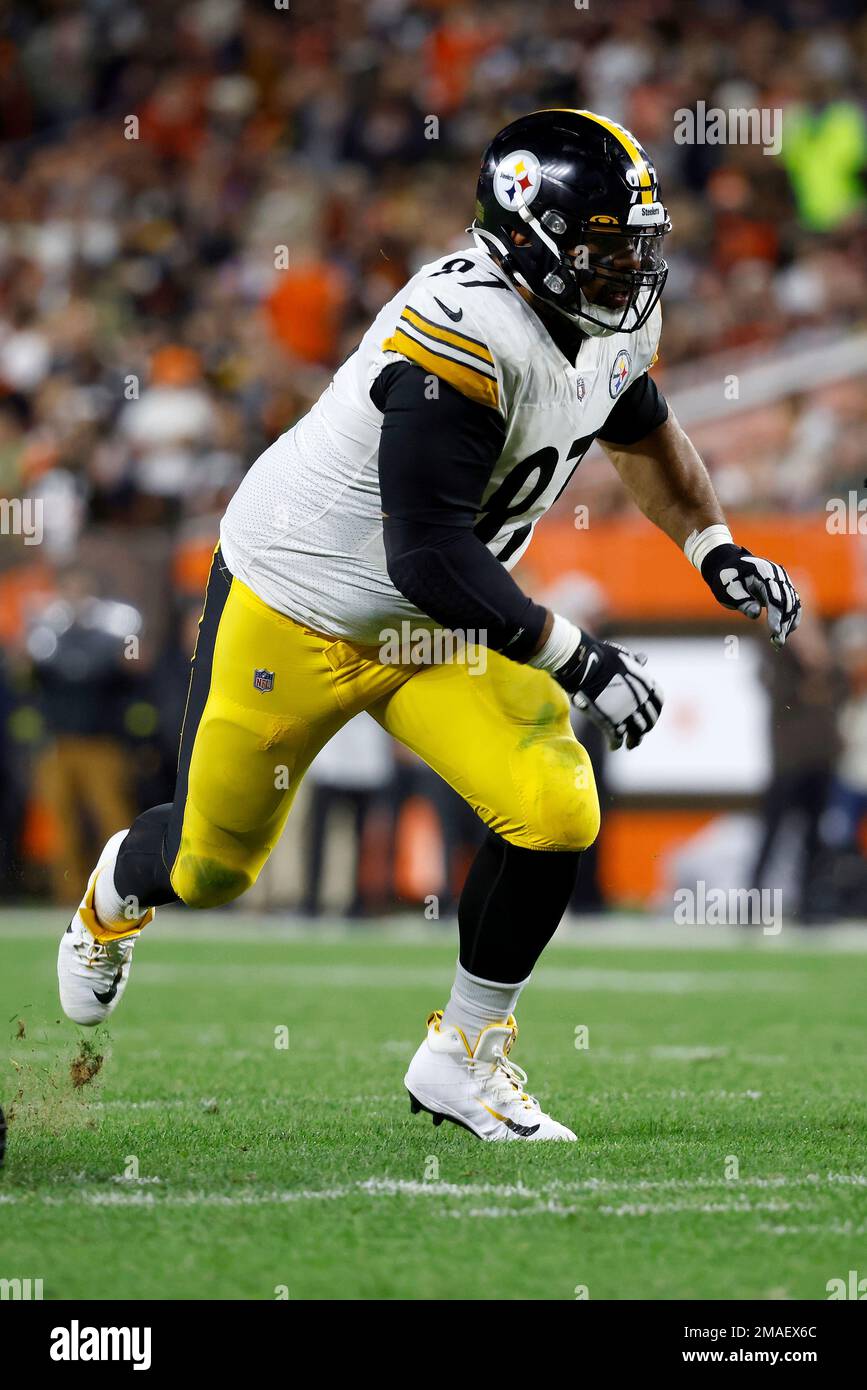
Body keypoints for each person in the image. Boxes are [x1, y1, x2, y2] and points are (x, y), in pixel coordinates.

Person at [57, 110, 800, 1142]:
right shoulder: (459, 331)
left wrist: (713, 545)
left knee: (553, 803)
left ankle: (463, 1055)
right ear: (527, 234)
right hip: (300, 605)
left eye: (634, 243)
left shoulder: (608, 318)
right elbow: (429, 553)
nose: (627, 267)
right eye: (599, 244)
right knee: (211, 867)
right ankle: (109, 899)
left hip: (438, 626)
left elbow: (636, 424)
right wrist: (578, 659)